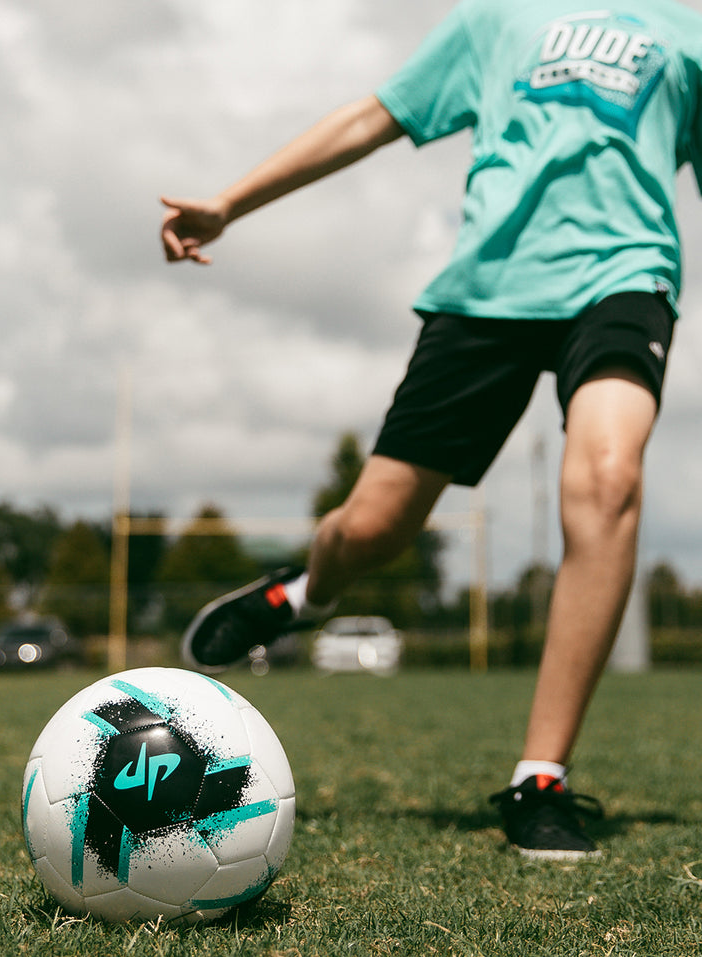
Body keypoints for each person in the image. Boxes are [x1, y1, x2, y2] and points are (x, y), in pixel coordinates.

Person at [161, 0, 702, 859]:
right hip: (485, 297)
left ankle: (540, 777)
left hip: (623, 280)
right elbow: (371, 118)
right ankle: (301, 594)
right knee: (371, 526)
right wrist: (232, 200)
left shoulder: (687, 34)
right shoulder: (494, 19)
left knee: (607, 477)